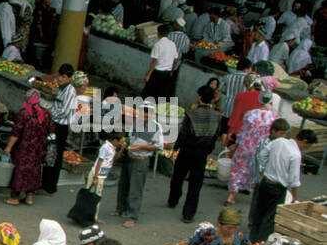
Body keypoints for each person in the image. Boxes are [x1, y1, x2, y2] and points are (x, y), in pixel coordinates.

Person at [166, 86, 221, 223]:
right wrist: (208, 150)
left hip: (187, 150)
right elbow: (215, 136)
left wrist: (176, 148)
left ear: (199, 97)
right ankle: (188, 214)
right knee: (195, 184)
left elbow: (184, 133)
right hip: (202, 153)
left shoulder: (191, 113)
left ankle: (173, 199)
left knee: (178, 176)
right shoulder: (217, 116)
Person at [249, 119, 302, 243]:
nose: (282, 136)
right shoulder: (292, 152)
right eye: (281, 133)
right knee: (268, 217)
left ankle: (253, 239)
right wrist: (263, 171)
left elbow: (262, 156)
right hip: (274, 185)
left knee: (260, 212)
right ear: (273, 131)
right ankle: (259, 242)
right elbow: (294, 179)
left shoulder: (277, 143)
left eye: (284, 133)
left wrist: (266, 170)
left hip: (266, 182)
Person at [112, 104, 163, 229]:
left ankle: (132, 216)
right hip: (130, 156)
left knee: (135, 189)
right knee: (123, 184)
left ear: (151, 114)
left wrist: (142, 147)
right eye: (142, 114)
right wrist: (125, 143)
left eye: (147, 115)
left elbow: (159, 146)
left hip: (141, 159)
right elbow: (130, 138)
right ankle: (120, 208)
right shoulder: (135, 123)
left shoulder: (156, 127)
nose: (144, 117)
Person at [226, 90, 278, 204]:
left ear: (259, 100)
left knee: (238, 169)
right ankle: (255, 195)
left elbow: (242, 132)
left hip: (246, 147)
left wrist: (236, 144)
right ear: (271, 102)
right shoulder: (275, 118)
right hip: (262, 150)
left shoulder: (250, 114)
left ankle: (231, 196)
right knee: (259, 173)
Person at [3, 91, 50, 205]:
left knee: (21, 170)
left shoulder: (24, 113)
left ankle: (15, 197)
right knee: (34, 170)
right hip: (39, 147)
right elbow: (50, 130)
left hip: (24, 147)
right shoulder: (46, 113)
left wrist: (9, 147)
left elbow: (16, 133)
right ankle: (29, 197)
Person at [43, 64, 77, 194]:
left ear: (68, 77)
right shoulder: (60, 88)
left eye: (63, 76)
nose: (60, 78)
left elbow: (65, 111)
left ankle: (50, 186)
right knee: (50, 153)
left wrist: (51, 113)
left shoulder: (70, 91)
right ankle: (45, 182)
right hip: (54, 124)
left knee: (56, 156)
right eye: (60, 75)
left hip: (60, 126)